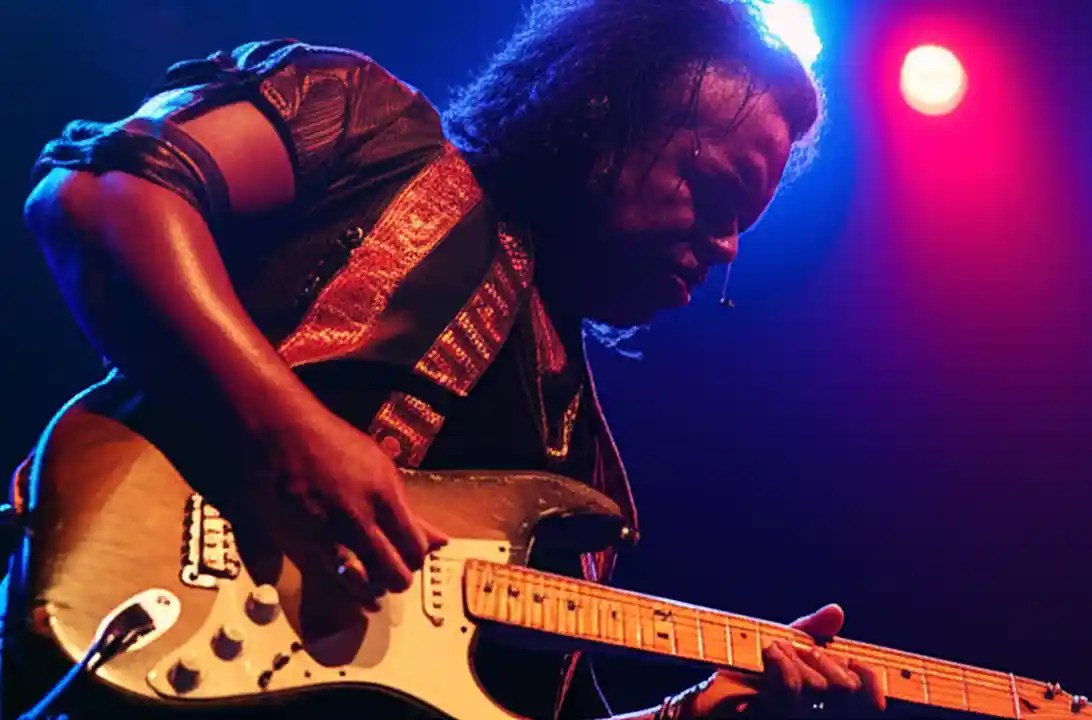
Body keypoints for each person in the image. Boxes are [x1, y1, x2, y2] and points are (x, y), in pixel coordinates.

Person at [9, 1, 885, 718]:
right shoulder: (367, 122)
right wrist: (288, 430)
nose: (729, 245)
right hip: (107, 621)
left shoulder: (589, 484)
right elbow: (99, 192)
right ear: (605, 113)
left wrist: (694, 711)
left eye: (747, 223)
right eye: (716, 191)